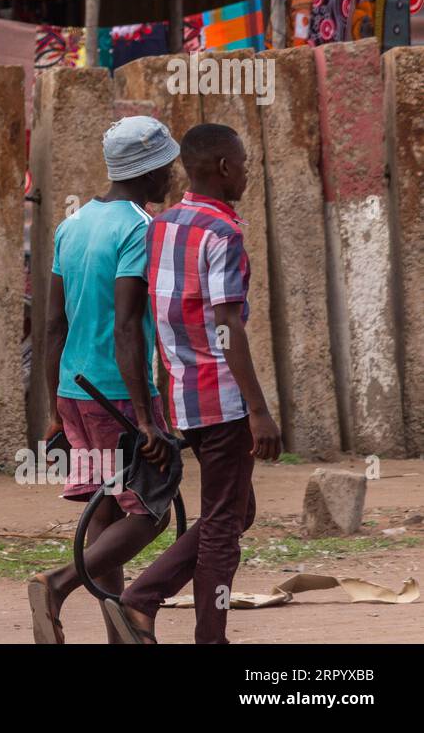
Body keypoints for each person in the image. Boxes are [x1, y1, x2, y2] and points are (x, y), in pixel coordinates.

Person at [105, 123, 282, 645]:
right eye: (244, 164)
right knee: (225, 526)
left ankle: (143, 597)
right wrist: (258, 409)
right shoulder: (223, 232)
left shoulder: (163, 226)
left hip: (182, 396)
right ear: (225, 168)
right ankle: (199, 632)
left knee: (234, 510)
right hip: (223, 398)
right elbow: (227, 324)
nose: (247, 172)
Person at [28, 116, 177, 644]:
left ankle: (118, 633)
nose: (173, 173)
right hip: (117, 395)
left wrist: (54, 409)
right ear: (151, 171)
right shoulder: (140, 227)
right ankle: (59, 582)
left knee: (106, 507)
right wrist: (145, 417)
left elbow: (51, 325)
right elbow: (126, 330)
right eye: (168, 165)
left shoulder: (73, 224)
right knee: (153, 510)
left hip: (74, 391)